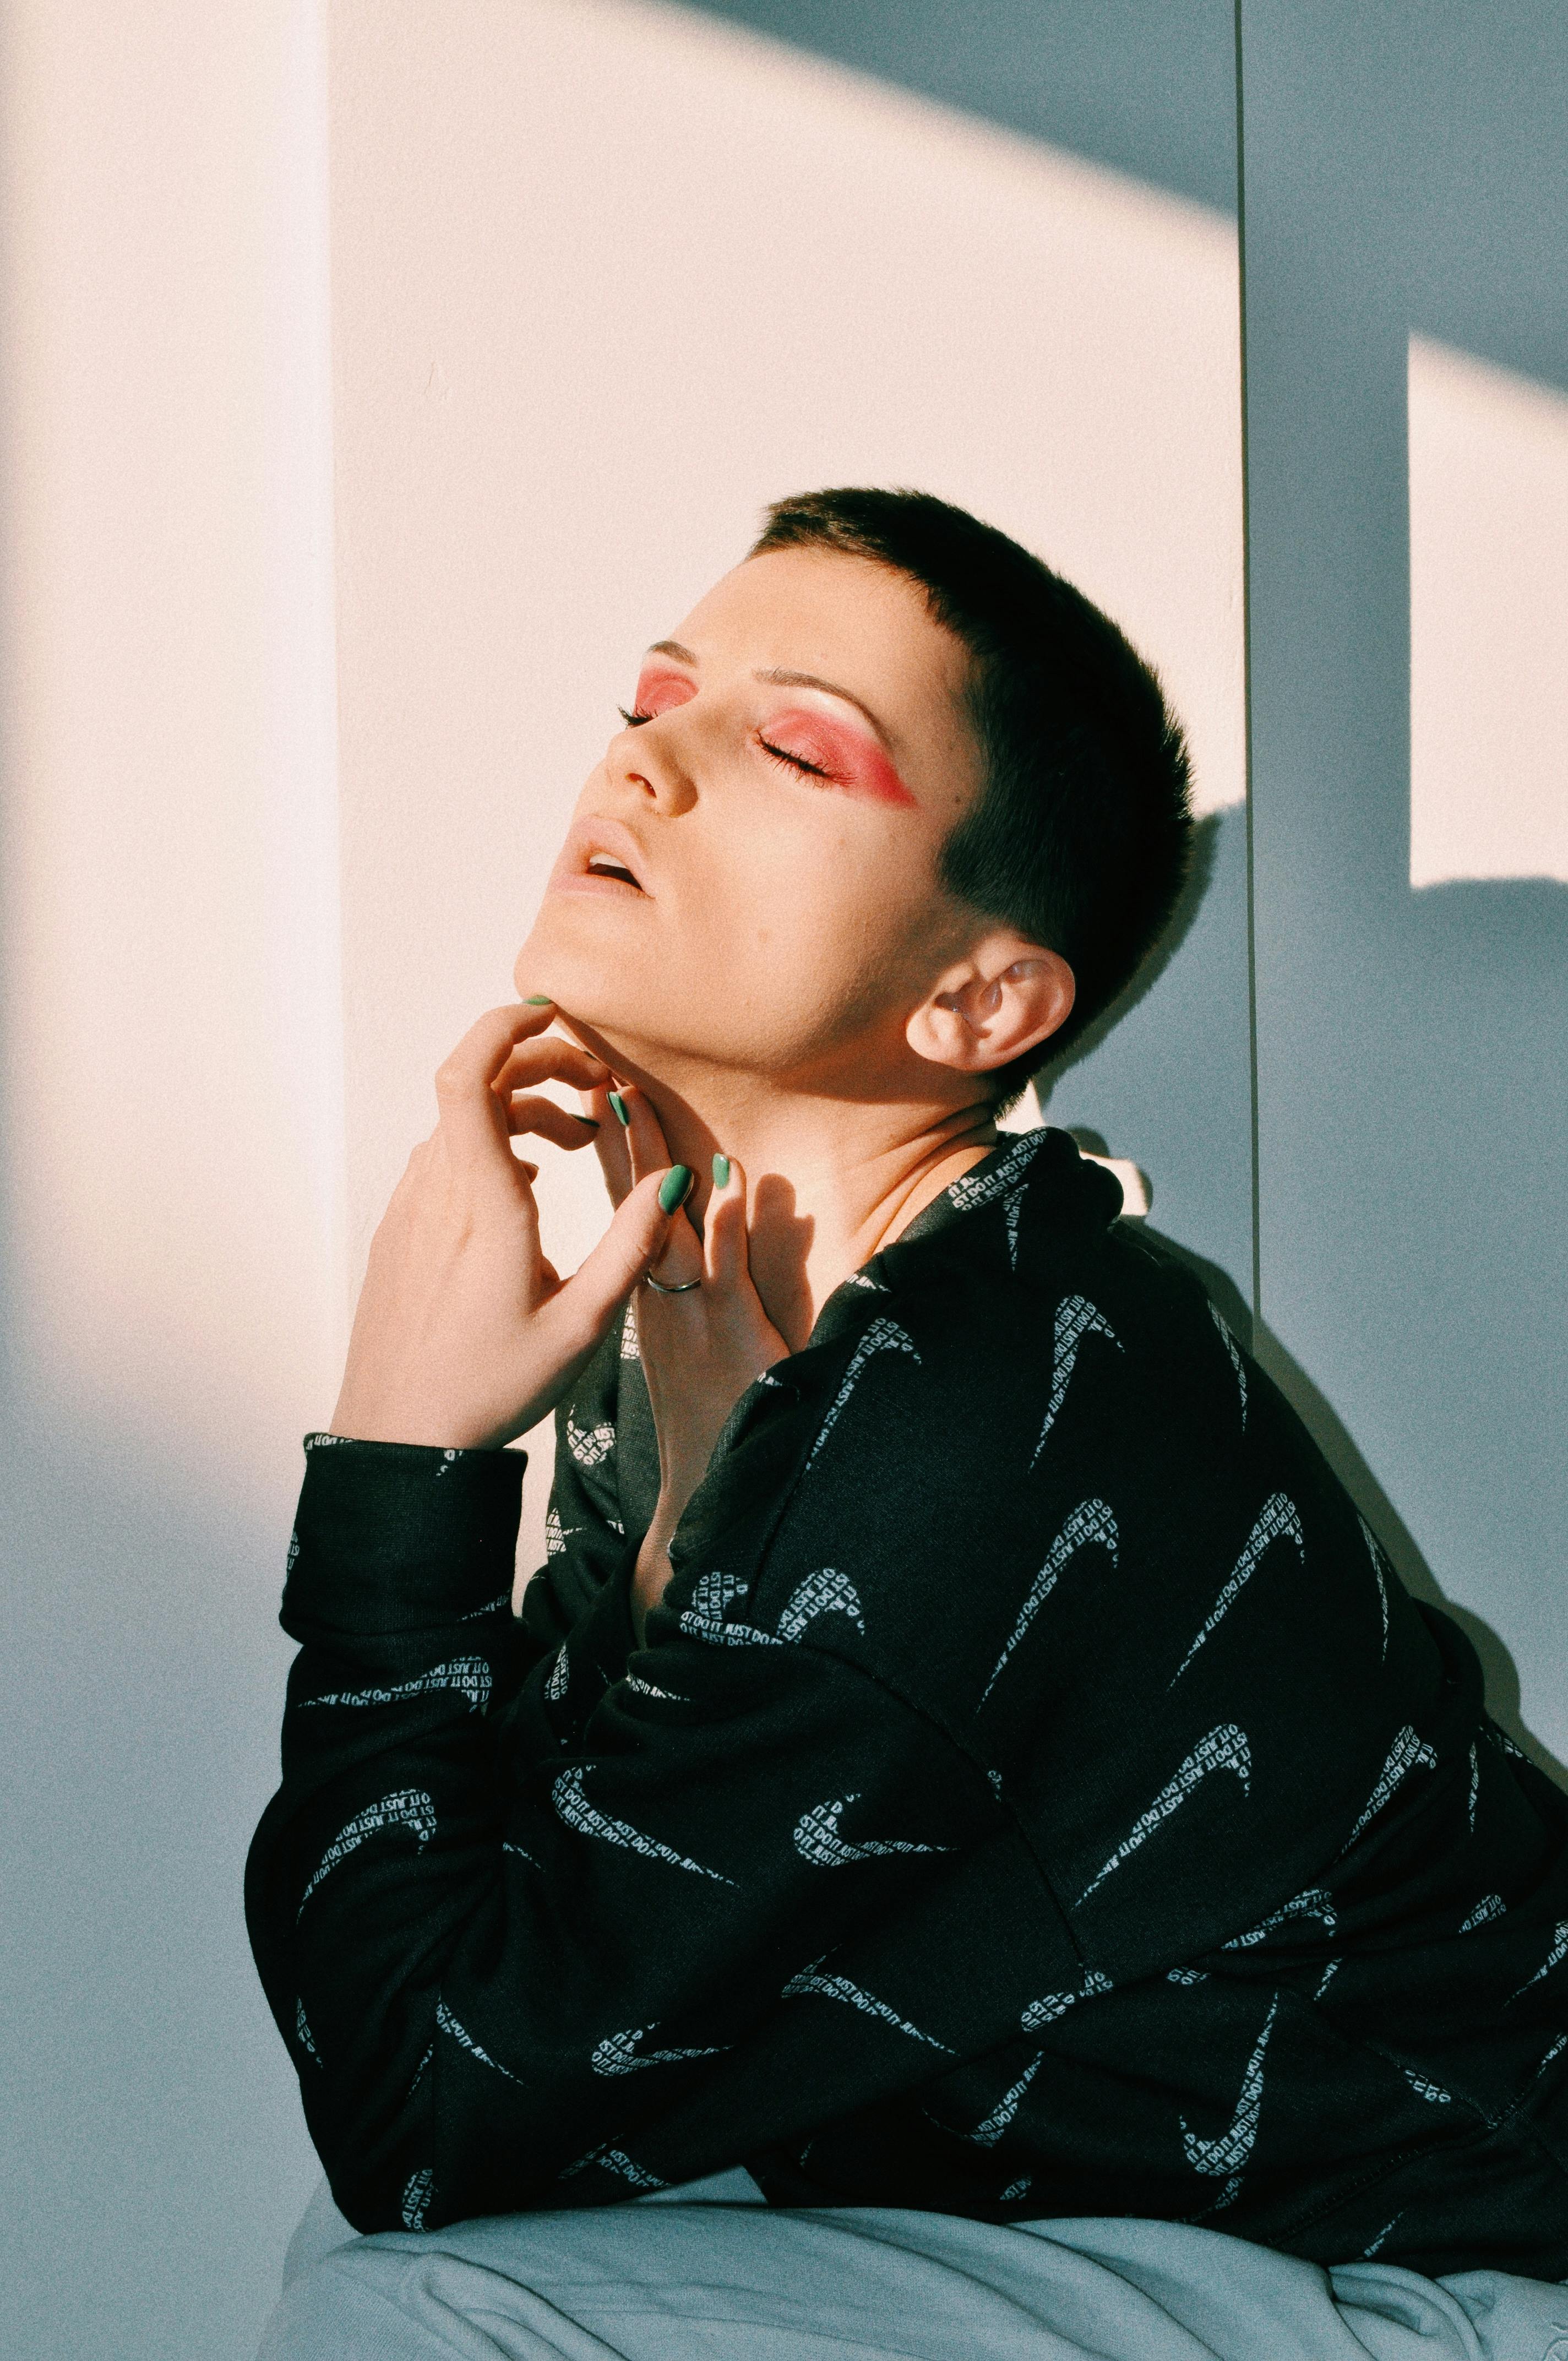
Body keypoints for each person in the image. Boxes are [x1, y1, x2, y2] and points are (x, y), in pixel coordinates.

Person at [246, 490, 1568, 2299]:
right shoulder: (734, 1334)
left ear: (978, 999)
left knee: (426, 2313)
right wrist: (669, 1539)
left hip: (1471, 2289)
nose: (645, 768)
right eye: (651, 702)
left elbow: (422, 2100)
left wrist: (404, 1456)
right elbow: (540, 1967)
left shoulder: (989, 1407)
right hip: (1163, 2233)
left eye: (791, 747)